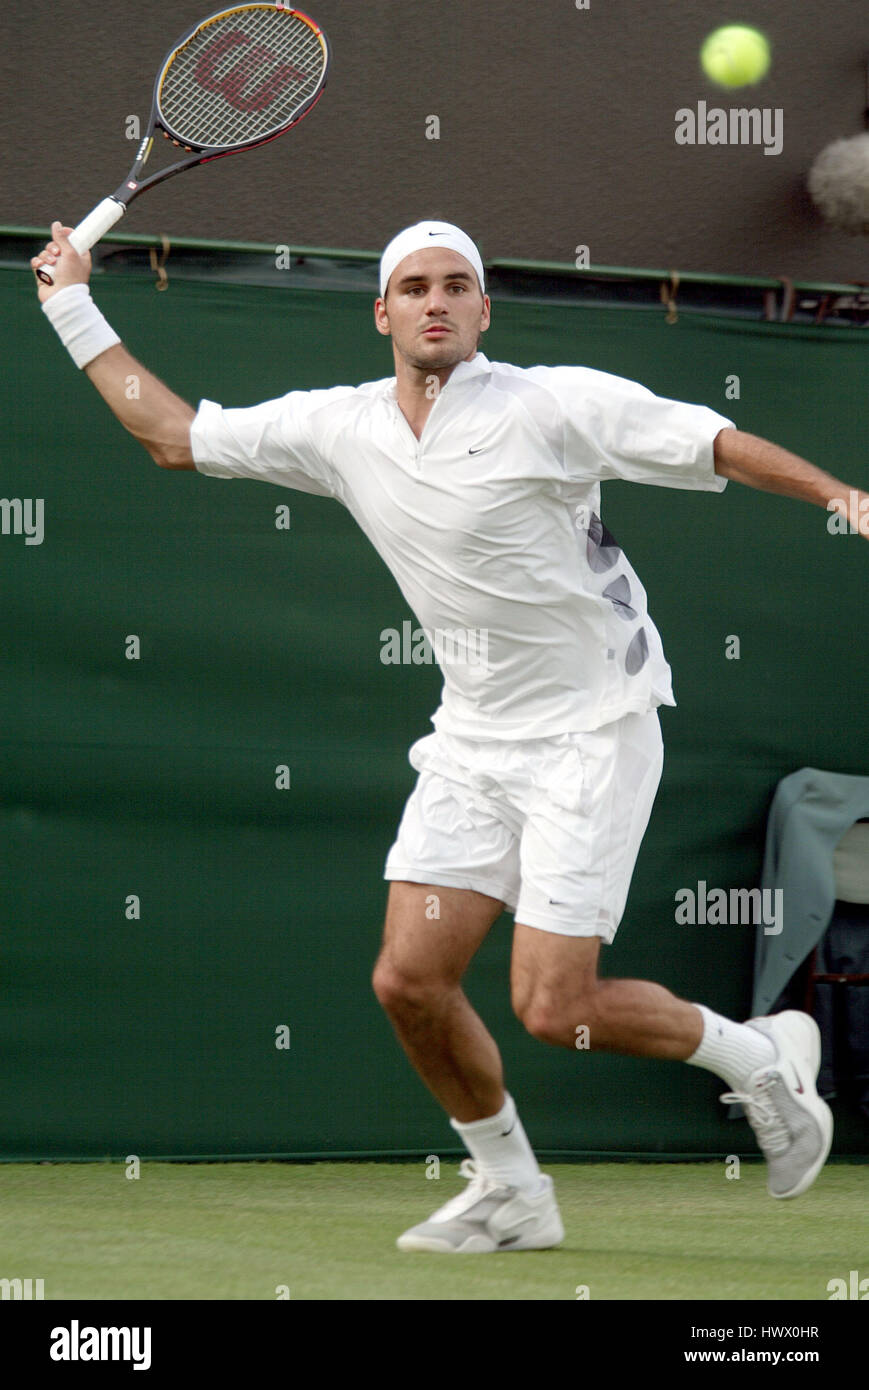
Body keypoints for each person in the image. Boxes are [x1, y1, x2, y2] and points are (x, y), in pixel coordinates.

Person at [33, 218, 863, 1255]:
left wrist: (839, 493)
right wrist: (71, 301)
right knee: (408, 979)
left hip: (592, 730)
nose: (435, 300)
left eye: (456, 285)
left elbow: (715, 443)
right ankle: (510, 1187)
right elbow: (169, 434)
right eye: (414, 286)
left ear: (481, 310)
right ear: (380, 312)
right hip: (472, 740)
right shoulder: (336, 428)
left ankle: (760, 1059)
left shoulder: (552, 406)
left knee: (553, 1006)